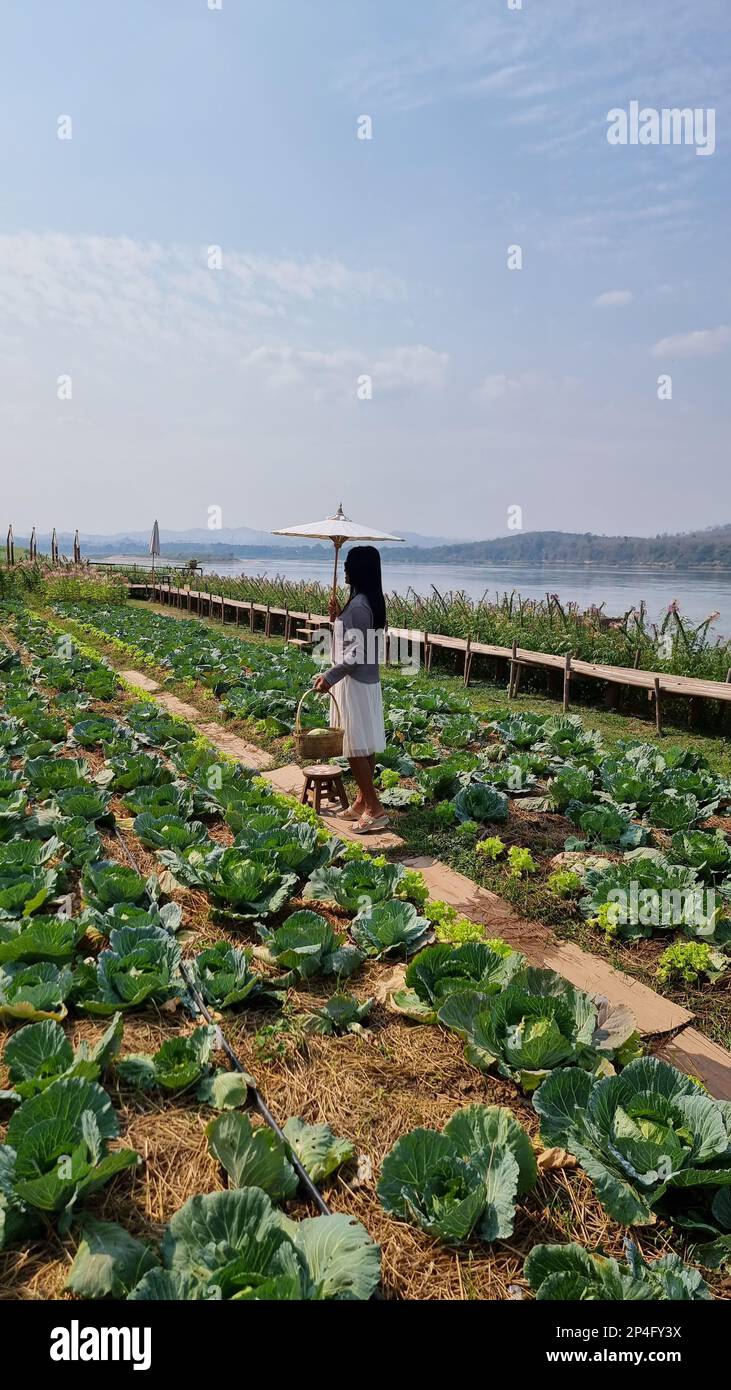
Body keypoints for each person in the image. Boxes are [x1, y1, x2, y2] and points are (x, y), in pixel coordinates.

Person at [313, 545, 388, 833]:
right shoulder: (365, 601)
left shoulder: (358, 606)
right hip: (365, 681)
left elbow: (356, 652)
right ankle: (360, 801)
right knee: (364, 744)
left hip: (353, 682)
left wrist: (330, 677)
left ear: (359, 569)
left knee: (354, 747)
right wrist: (337, 617)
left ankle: (374, 808)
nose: (344, 568)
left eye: (349, 564)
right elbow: (351, 641)